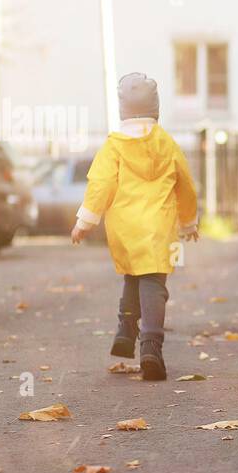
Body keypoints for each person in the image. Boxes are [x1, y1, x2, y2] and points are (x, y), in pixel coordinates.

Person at [71, 73, 198, 380]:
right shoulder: (167, 143)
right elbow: (185, 185)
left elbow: (100, 184)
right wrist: (189, 221)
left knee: (132, 277)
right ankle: (151, 347)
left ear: (123, 110)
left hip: (125, 227)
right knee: (154, 283)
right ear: (156, 108)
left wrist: (85, 221)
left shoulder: (114, 146)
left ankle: (125, 332)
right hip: (159, 226)